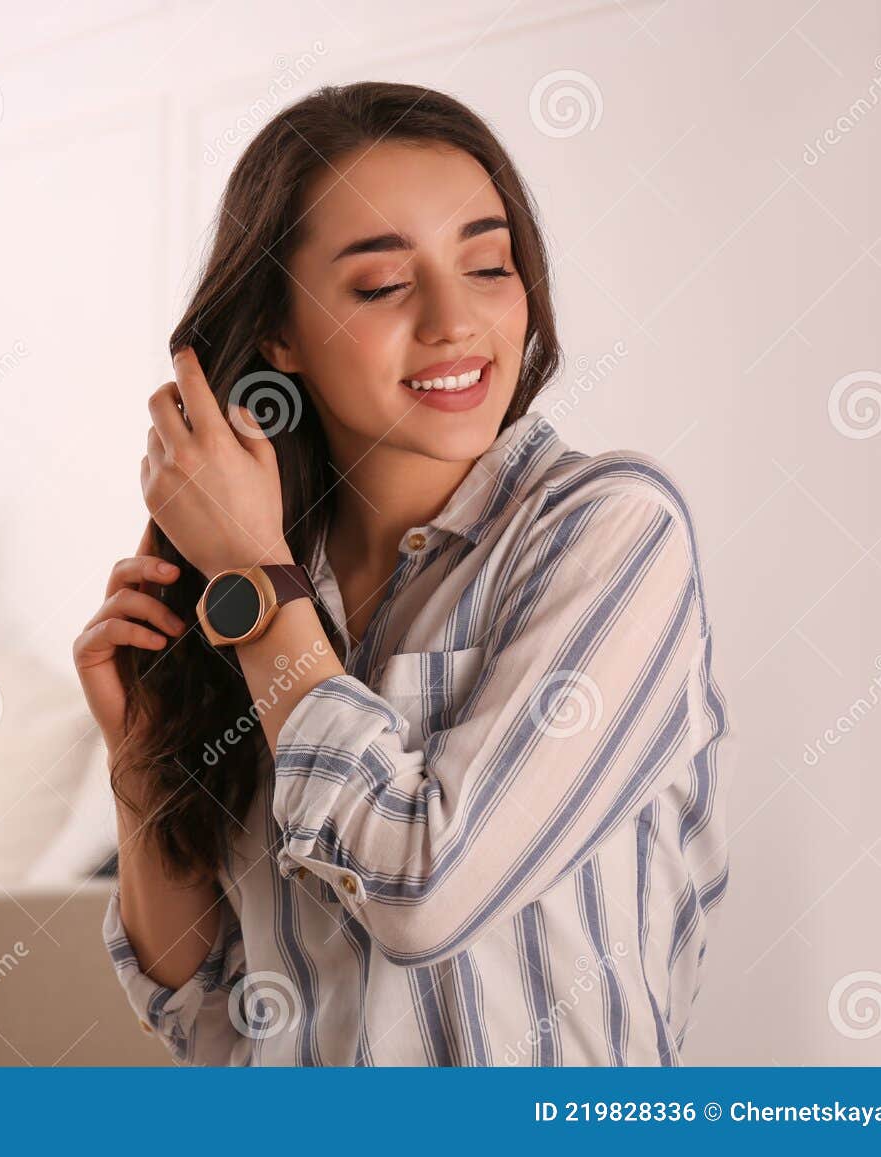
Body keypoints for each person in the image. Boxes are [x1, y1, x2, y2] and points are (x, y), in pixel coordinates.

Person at [72, 81, 733, 1066]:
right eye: (383, 284)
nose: (454, 320)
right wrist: (138, 767)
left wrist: (255, 584)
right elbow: (205, 1013)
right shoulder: (259, 584)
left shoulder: (610, 530)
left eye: (488, 265)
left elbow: (425, 892)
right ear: (279, 332)